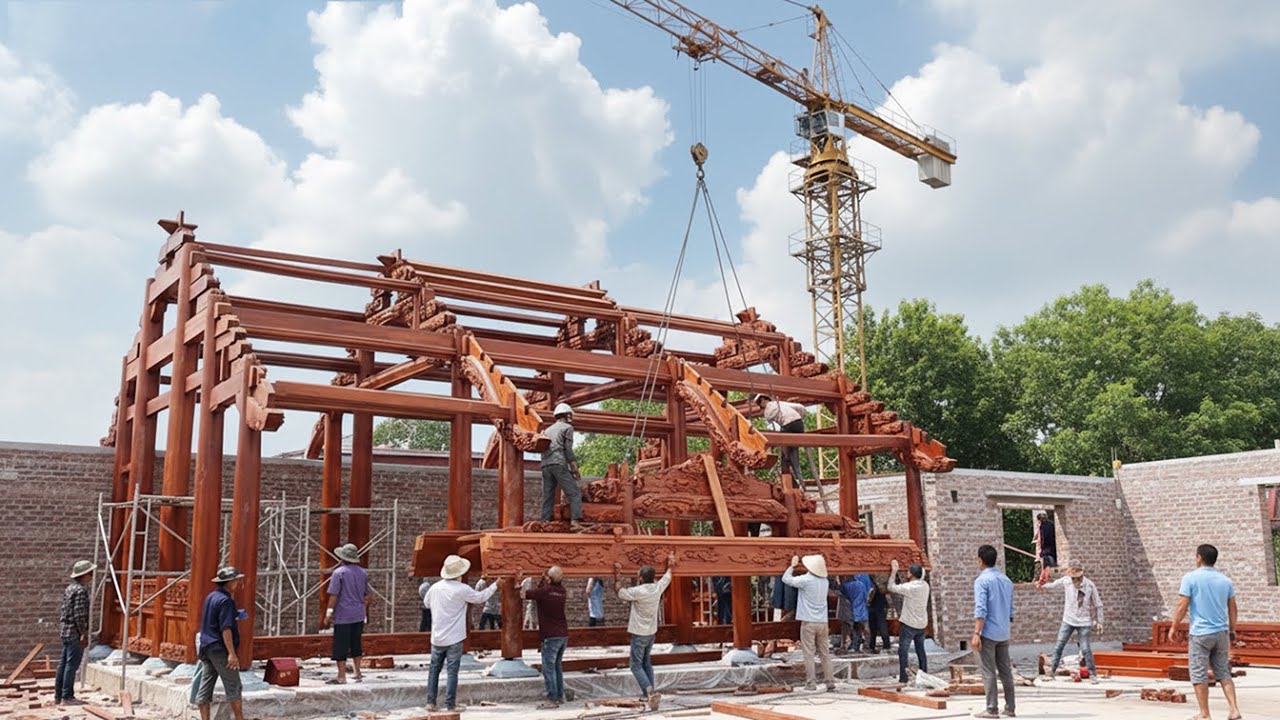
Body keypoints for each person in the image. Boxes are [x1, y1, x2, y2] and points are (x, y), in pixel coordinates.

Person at [1166, 544, 1242, 720]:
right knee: (1223, 671)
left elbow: (1182, 605)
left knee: (1198, 673)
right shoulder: (1225, 581)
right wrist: (1232, 629)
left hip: (1200, 634)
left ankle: (1205, 713)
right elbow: (1233, 608)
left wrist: (1174, 627)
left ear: (1199, 557)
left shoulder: (1190, 578)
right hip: (1221, 633)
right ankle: (1234, 709)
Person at [423, 555, 498, 712]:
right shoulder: (462, 589)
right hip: (455, 637)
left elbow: (427, 603)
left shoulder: (435, 588)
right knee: (452, 672)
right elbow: (480, 597)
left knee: (434, 670)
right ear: (460, 573)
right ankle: (450, 704)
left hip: (437, 637)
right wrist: (496, 585)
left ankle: (430, 702)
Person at [615, 552, 676, 710]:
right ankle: (649, 693)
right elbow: (668, 577)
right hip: (651, 633)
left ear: (641, 577)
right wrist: (670, 565)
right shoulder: (657, 588)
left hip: (639, 633)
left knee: (635, 665)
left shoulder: (638, 591)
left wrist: (617, 575)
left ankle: (649, 691)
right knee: (646, 662)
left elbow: (620, 592)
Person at [1036, 559, 1103, 682]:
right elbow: (1054, 585)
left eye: (1076, 577)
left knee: (1085, 649)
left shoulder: (1089, 585)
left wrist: (1100, 621)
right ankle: (1051, 673)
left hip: (1084, 621)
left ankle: (1092, 674)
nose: (1074, 580)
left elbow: (1098, 604)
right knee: (1059, 645)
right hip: (1068, 619)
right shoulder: (1066, 581)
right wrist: (1042, 585)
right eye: (1072, 577)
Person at [195, 566, 247, 720]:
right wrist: (231, 654)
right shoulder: (226, 601)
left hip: (207, 647)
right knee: (233, 685)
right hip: (220, 648)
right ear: (229, 582)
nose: (237, 583)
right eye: (236, 581)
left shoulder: (211, 597)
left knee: (206, 685)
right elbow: (226, 628)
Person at [972, 545, 1015, 719]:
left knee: (988, 671)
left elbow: (981, 609)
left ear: (980, 560)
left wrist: (977, 632)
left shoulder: (982, 581)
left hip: (988, 633)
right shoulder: (1006, 580)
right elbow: (1011, 610)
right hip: (1003, 632)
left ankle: (991, 709)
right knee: (1005, 671)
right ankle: (1010, 708)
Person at [782, 554, 836, 692]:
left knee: (809, 654)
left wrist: (792, 567)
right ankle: (830, 682)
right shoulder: (825, 581)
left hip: (809, 622)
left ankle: (811, 683)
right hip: (823, 622)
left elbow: (786, 579)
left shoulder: (806, 580)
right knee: (825, 653)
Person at [521, 566, 570, 709]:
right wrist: (544, 580)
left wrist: (519, 582)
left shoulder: (545, 592)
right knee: (557, 667)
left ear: (548, 579)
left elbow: (522, 594)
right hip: (563, 634)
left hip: (551, 636)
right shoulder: (562, 591)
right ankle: (559, 696)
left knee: (548, 668)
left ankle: (552, 698)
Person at [323, 543, 369, 684]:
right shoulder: (363, 573)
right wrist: (363, 610)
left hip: (343, 614)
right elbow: (367, 595)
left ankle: (341, 676)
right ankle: (358, 673)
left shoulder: (339, 573)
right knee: (356, 643)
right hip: (358, 613)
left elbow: (334, 595)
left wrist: (329, 612)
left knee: (341, 645)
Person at [55, 560, 94, 706]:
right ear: (84, 575)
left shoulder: (70, 588)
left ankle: (59, 695)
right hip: (74, 632)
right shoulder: (80, 591)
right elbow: (79, 615)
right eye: (90, 573)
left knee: (63, 664)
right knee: (71, 664)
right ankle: (67, 696)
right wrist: (83, 633)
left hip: (65, 630)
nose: (92, 576)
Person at [540, 402, 584, 529]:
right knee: (574, 492)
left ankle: (544, 522)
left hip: (545, 465)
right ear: (567, 415)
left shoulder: (547, 430)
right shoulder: (567, 428)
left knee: (548, 494)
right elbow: (568, 450)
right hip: (558, 463)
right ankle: (575, 521)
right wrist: (574, 468)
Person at [888, 559, 931, 684]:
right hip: (921, 624)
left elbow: (890, 587)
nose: (906, 573)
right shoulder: (925, 586)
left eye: (908, 571)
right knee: (920, 650)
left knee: (903, 651)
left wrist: (893, 572)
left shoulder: (910, 587)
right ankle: (924, 675)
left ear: (911, 574)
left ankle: (904, 677)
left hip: (909, 624)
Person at [753, 394, 807, 479]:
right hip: (799, 424)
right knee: (793, 451)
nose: (760, 405)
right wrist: (800, 416)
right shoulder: (781, 403)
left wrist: (763, 411)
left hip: (789, 425)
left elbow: (768, 417)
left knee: (785, 454)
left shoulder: (769, 407)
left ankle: (786, 476)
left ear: (763, 399)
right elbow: (801, 407)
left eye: (759, 403)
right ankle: (798, 477)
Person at [839, 574, 868, 653]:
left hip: (852, 609)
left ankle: (854, 645)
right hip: (861, 609)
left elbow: (843, 594)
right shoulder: (861, 584)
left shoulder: (845, 586)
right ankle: (857, 644)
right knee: (858, 628)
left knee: (852, 628)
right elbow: (865, 596)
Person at [867, 576, 892, 653]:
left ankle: (873, 645)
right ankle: (885, 644)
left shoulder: (872, 581)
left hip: (875, 606)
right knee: (881, 626)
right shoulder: (878, 581)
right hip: (880, 605)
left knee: (875, 627)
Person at [1034, 512, 1057, 585]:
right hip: (1052, 548)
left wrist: (1041, 552)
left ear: (1039, 520)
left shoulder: (1043, 526)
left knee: (1048, 567)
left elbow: (1043, 539)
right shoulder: (1051, 524)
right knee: (1050, 566)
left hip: (1047, 550)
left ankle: (1046, 580)